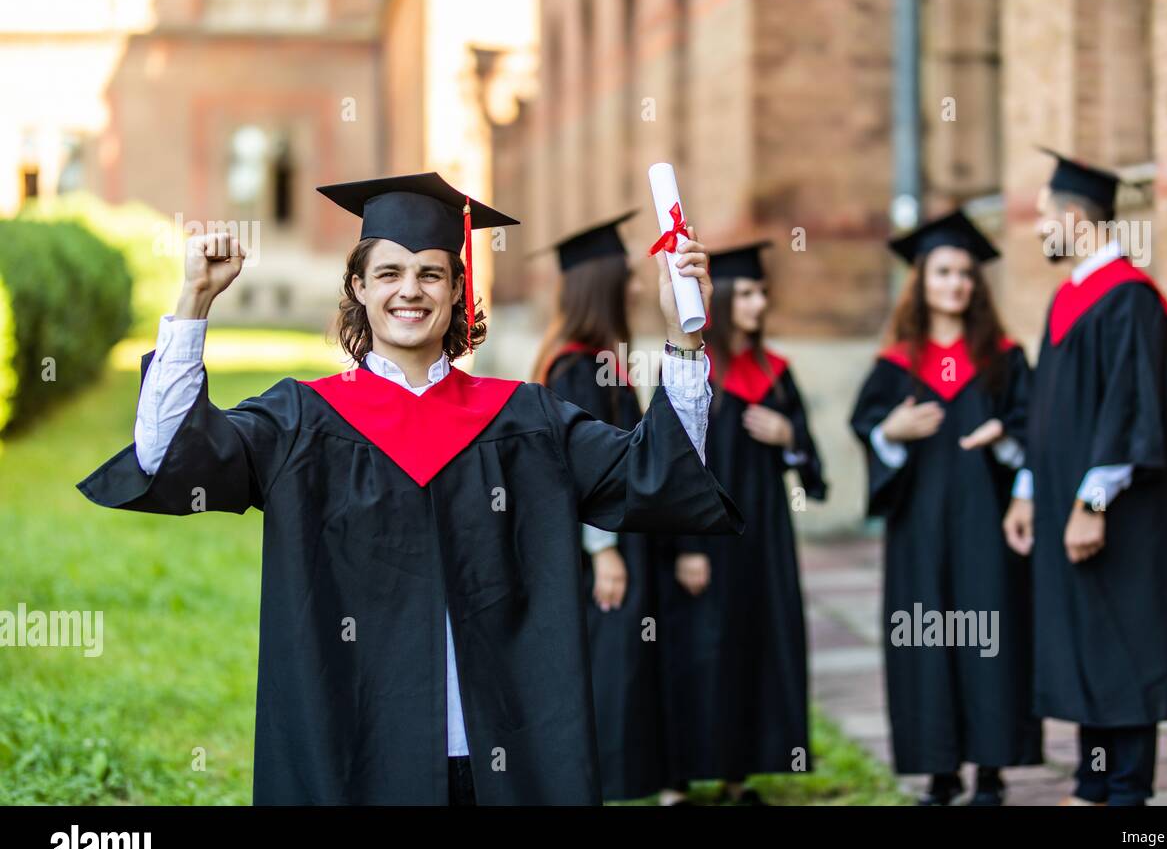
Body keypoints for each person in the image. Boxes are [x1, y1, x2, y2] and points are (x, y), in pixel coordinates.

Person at [76, 171, 742, 806]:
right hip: (357, 748)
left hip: (505, 750)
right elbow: (166, 458)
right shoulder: (302, 421)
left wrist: (683, 334)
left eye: (431, 273)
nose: (410, 290)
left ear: (457, 289)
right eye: (389, 272)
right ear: (359, 289)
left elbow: (658, 475)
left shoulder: (525, 420)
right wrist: (193, 302)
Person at [1002, 149, 1167, 807]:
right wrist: (1028, 491)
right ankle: (1091, 785)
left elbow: (1130, 408)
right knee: (1086, 638)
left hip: (1117, 514)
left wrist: (1091, 501)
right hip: (1062, 503)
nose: (1036, 229)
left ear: (1074, 220)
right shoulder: (1069, 298)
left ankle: (1125, 792)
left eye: (1042, 216)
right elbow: (1045, 410)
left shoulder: (1129, 300)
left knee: (1127, 642)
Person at [850, 210, 1042, 806]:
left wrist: (1005, 446)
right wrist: (893, 431)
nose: (956, 284)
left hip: (988, 523)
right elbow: (868, 429)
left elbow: (1035, 435)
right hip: (920, 528)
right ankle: (939, 771)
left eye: (965, 273)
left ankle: (990, 770)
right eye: (943, 272)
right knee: (924, 640)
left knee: (993, 635)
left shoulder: (1004, 359)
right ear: (922, 281)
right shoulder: (895, 365)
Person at [659, 240, 826, 805]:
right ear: (725, 300)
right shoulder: (697, 373)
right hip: (706, 537)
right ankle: (678, 780)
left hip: (765, 540)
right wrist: (686, 546)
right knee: (698, 649)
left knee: (756, 644)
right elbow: (676, 460)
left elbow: (813, 469)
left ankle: (738, 775)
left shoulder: (775, 372)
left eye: (763, 293)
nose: (760, 303)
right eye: (749, 293)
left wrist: (791, 440)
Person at [532, 210, 673, 803]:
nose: (638, 288)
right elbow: (576, 468)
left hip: (615, 536)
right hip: (601, 544)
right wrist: (606, 549)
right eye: (628, 277)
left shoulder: (591, 358)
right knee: (612, 664)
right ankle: (607, 784)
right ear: (604, 286)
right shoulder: (578, 367)